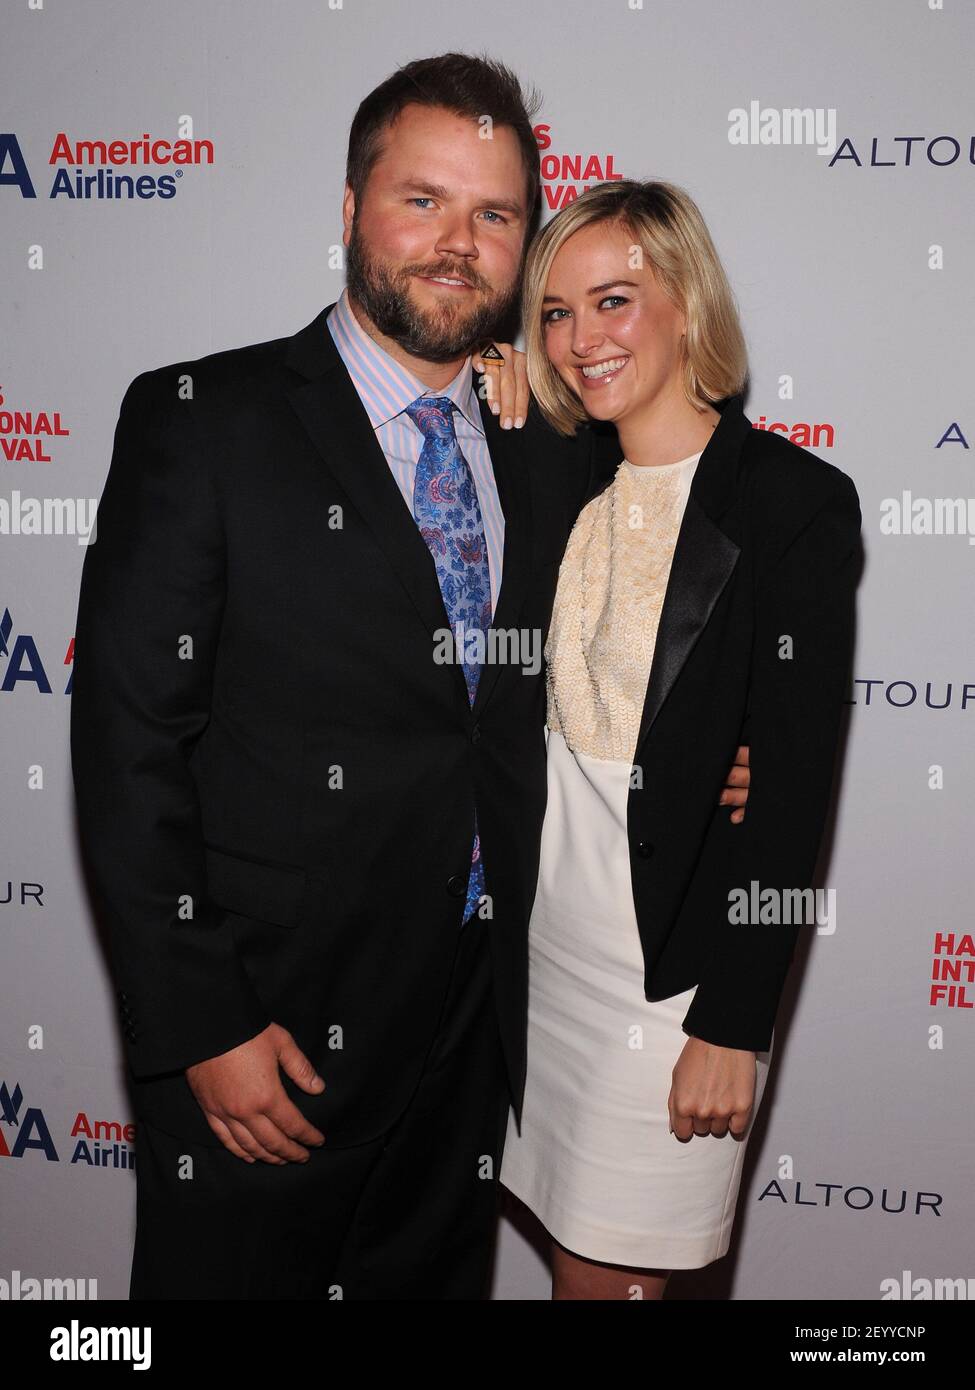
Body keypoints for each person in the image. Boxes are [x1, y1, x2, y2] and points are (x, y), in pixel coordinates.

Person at [70, 55, 748, 1301]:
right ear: (347, 211)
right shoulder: (203, 420)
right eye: (422, 201)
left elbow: (615, 662)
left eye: (496, 215)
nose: (459, 244)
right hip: (265, 1041)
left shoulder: (551, 447)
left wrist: (722, 753)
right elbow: (128, 747)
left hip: (472, 1046)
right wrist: (199, 1023)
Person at [498, 178, 861, 1300]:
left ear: (688, 303)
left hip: (670, 982)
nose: (579, 340)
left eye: (612, 301)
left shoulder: (793, 500)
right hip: (535, 965)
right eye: (554, 313)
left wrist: (734, 1024)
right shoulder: (557, 480)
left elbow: (796, 789)